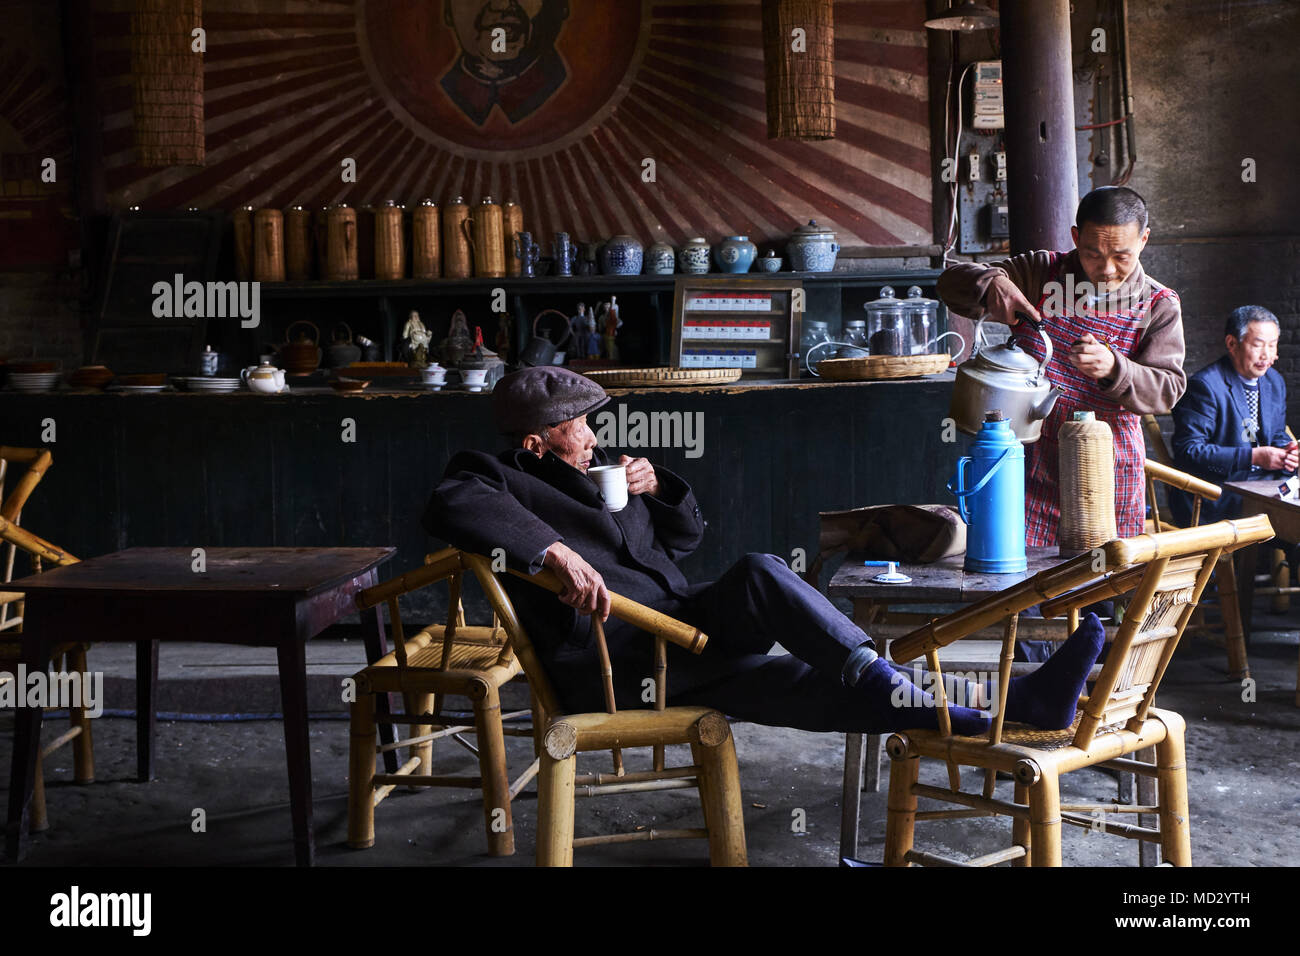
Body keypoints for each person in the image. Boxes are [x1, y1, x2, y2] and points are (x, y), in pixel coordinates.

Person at [421, 366, 1106, 738]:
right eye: (577, 429)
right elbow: (452, 503)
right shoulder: (497, 476)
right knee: (805, 654)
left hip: (687, 636)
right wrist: (552, 553)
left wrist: (660, 487)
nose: (594, 439)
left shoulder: (602, 478)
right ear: (535, 443)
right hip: (625, 661)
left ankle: (1022, 702)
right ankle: (922, 687)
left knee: (791, 622)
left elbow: (685, 540)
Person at [936, 186, 1187, 546]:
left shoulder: (1158, 305)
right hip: (1021, 462)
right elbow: (948, 285)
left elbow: (1167, 391)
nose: (1106, 269)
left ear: (1144, 240)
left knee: (1100, 589)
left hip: (1103, 472)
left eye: (1122, 256)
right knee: (1016, 582)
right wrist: (992, 283)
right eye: (1092, 254)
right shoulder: (1042, 272)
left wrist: (1116, 368)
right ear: (1075, 237)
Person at [1169, 305, 1297, 525]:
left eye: (1273, 345)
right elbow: (1188, 451)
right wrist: (1253, 457)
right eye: (1258, 345)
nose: (1268, 355)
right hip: (1217, 491)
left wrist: (1288, 452)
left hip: (1263, 484)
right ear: (1232, 344)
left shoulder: (1274, 381)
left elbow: (1276, 434)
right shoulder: (1205, 386)